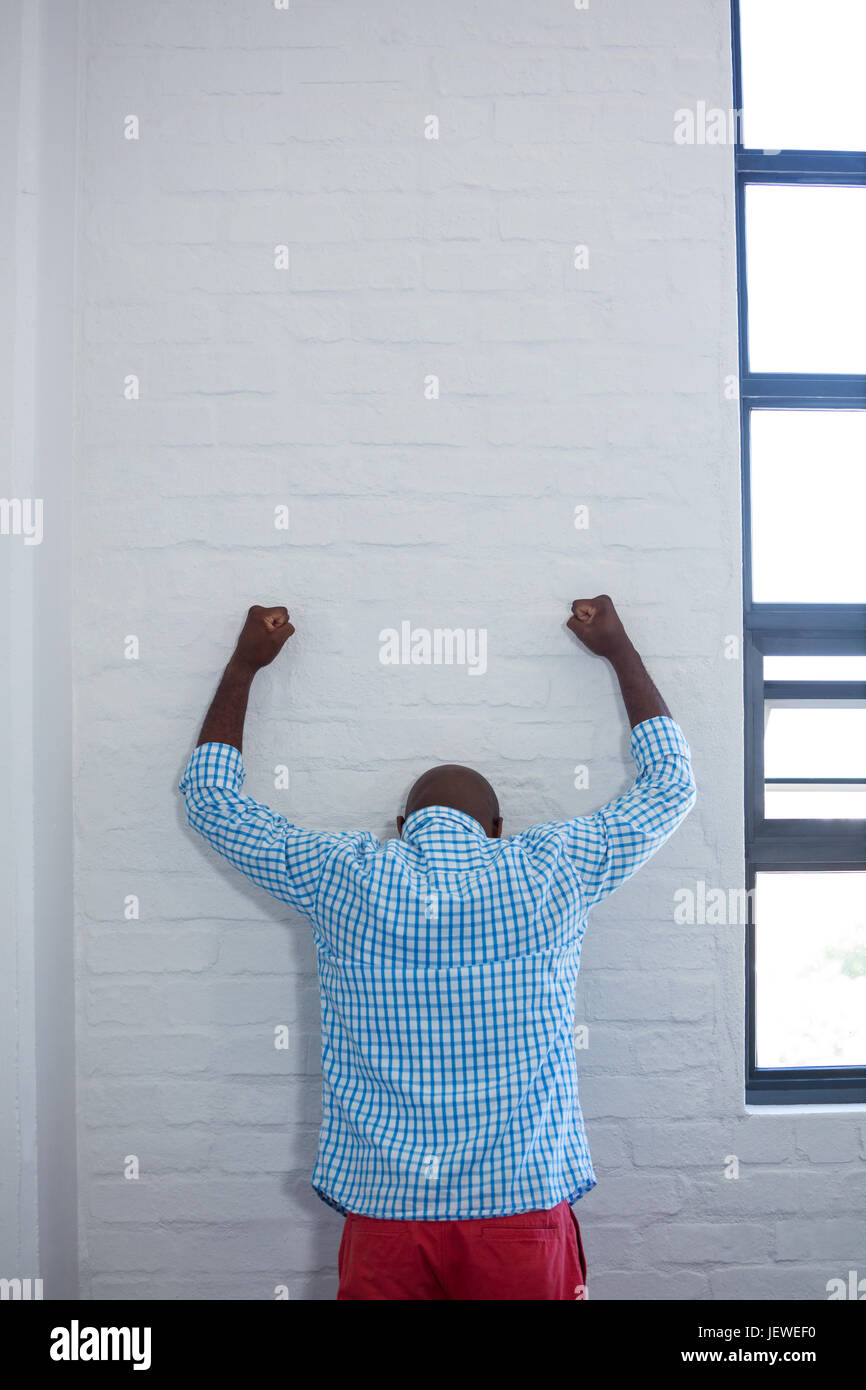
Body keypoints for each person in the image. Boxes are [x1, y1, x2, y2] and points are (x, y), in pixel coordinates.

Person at [178, 595, 696, 1300]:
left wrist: (246, 665)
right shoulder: (553, 869)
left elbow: (212, 802)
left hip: (387, 1217)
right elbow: (671, 786)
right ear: (497, 824)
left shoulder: (344, 875)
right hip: (523, 1207)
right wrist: (619, 649)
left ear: (400, 823)